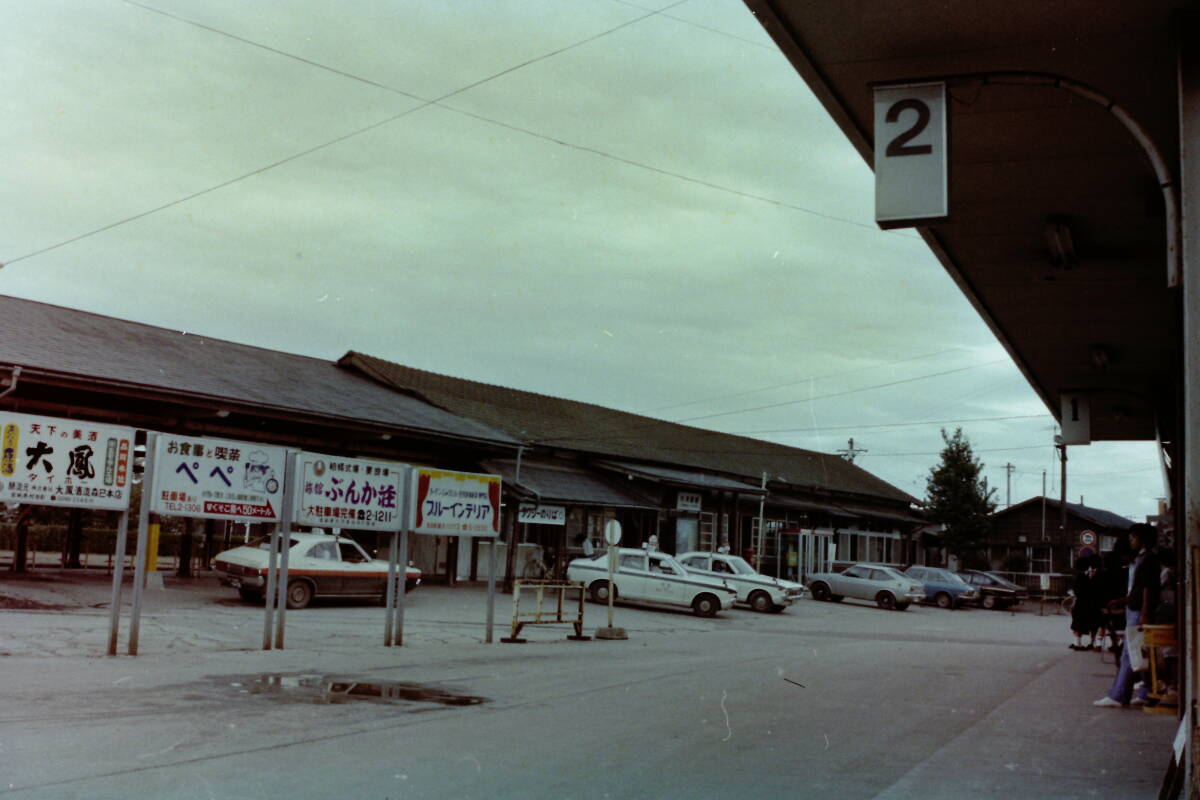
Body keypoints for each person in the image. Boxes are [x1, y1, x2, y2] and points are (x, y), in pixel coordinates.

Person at [1094, 523, 1161, 708]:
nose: (1131, 540)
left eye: (1134, 537)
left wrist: (1144, 613)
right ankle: (1146, 693)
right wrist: (1122, 601)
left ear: (1143, 539)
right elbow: (1137, 588)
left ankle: (1118, 695)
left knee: (1129, 653)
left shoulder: (1148, 559)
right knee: (1140, 651)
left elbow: (1147, 589)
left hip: (1139, 611)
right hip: (1134, 607)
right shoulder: (1143, 558)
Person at [1069, 555, 1102, 651]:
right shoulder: (1084, 577)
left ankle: (1077, 642)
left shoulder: (1076, 576)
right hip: (1084, 602)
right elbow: (1090, 590)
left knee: (1076, 622)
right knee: (1080, 623)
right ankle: (1079, 644)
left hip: (1078, 601)